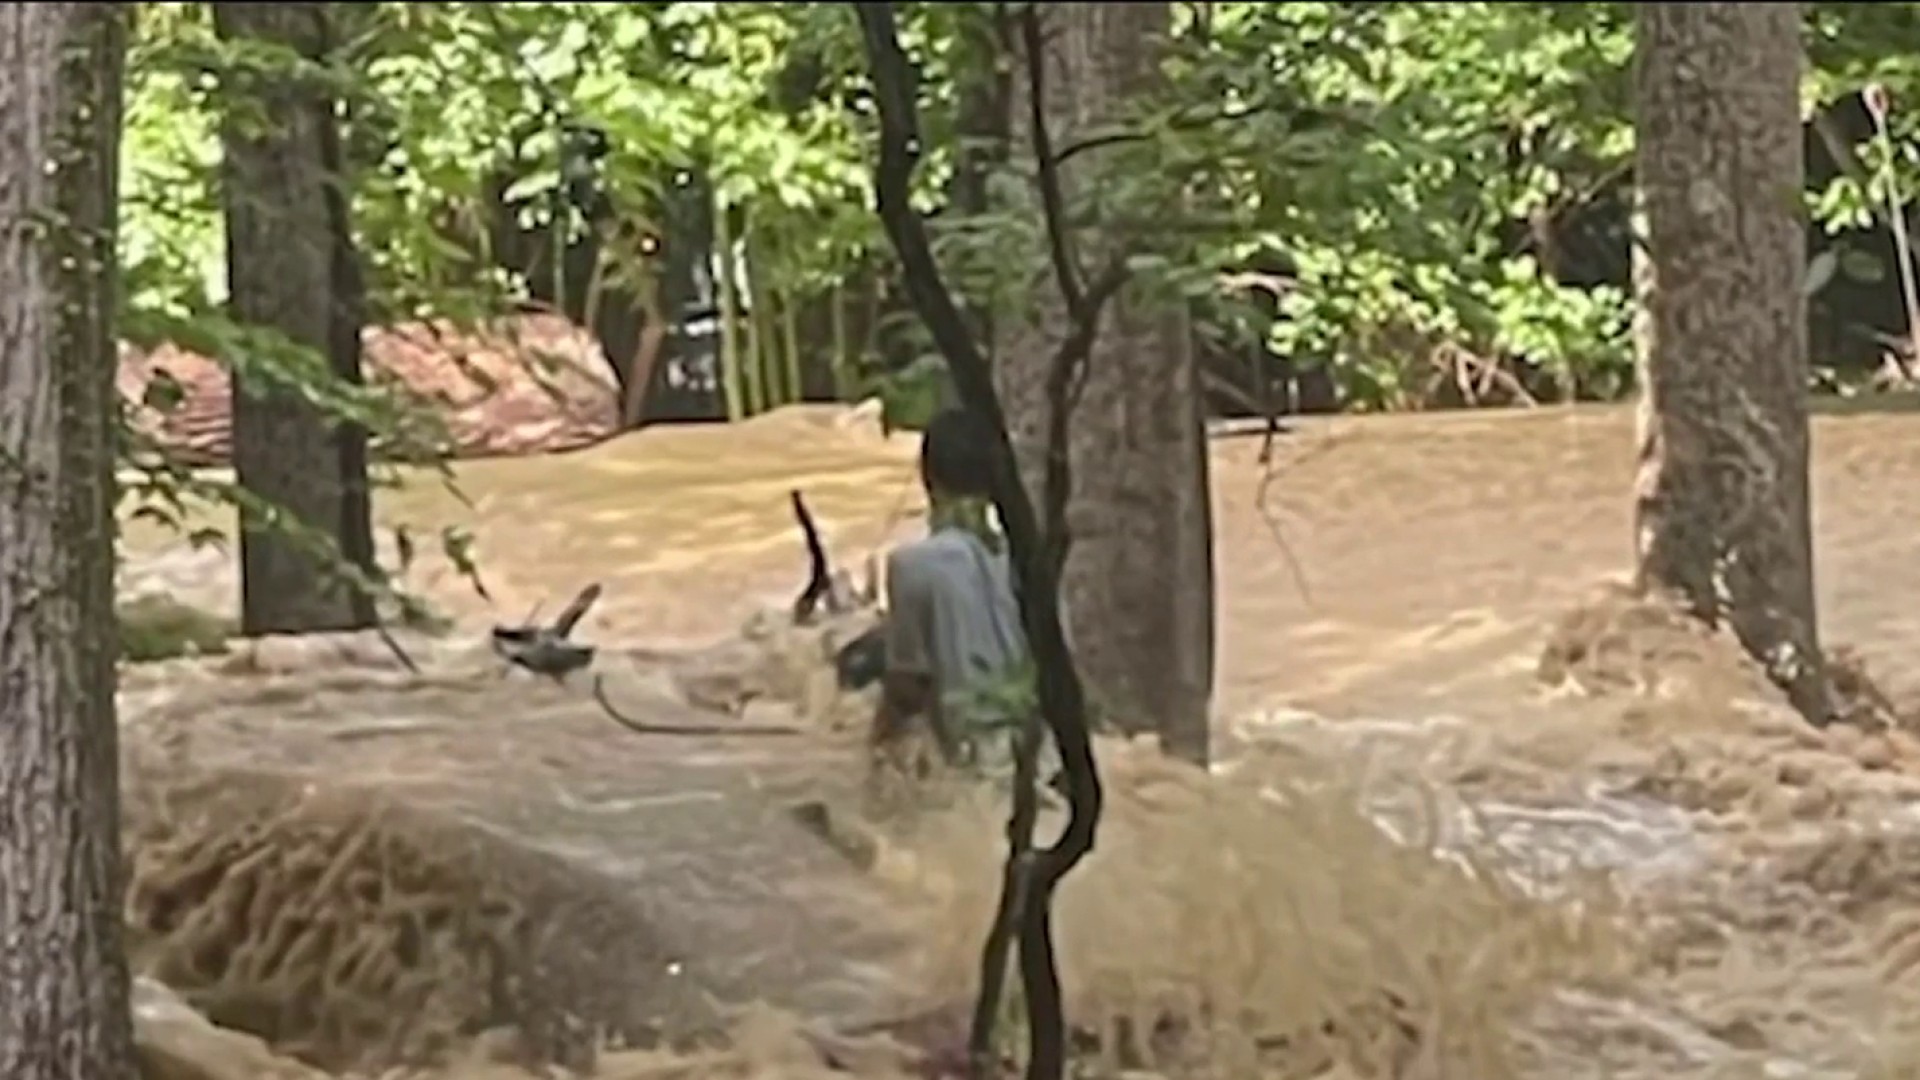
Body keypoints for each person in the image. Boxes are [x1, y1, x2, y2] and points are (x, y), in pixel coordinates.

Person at [871, 407, 1051, 782]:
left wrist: (874, 757)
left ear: (927, 478)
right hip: (1046, 763)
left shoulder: (912, 566)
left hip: (973, 768)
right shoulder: (1031, 557)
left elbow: (907, 689)